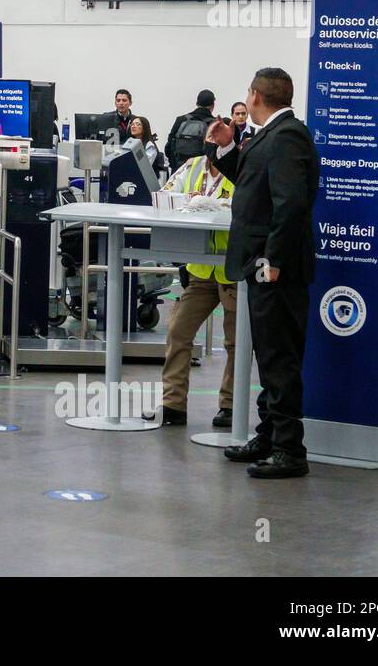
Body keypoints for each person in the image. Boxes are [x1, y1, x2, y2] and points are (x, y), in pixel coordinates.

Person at [205, 67, 319, 479]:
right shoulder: (272, 135)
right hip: (263, 264)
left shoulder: (286, 136)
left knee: (279, 357)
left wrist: (273, 260)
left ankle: (290, 450)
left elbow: (290, 205)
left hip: (274, 267)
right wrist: (229, 147)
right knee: (268, 353)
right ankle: (270, 434)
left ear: (255, 96)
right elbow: (257, 185)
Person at [144, 153, 237, 427]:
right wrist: (190, 202)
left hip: (232, 270)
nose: (214, 143)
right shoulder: (193, 165)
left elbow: (248, 206)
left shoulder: (243, 166)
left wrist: (211, 204)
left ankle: (230, 406)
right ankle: (173, 404)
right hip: (200, 270)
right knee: (178, 330)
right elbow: (165, 195)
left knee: (236, 343)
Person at [165, 89, 217, 170]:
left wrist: (175, 166)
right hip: (202, 171)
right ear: (213, 105)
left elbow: (168, 147)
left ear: (197, 103)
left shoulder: (181, 120)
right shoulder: (214, 124)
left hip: (180, 169)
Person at [128, 115, 166, 180]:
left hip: (146, 180)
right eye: (132, 124)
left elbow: (145, 166)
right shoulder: (130, 143)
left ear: (144, 128)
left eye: (138, 124)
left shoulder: (149, 145)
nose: (133, 126)